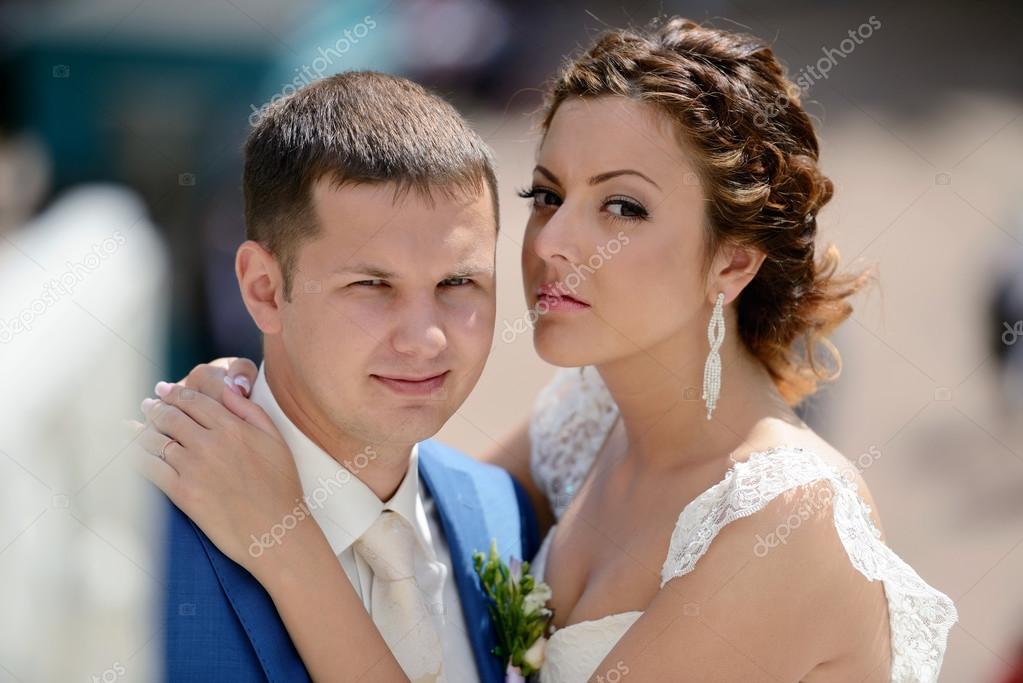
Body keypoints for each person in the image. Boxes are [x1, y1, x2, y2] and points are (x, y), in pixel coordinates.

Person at [138, 17, 958, 682]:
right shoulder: (585, 423)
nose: (555, 241)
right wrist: (246, 407)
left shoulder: (787, 521)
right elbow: (400, 501)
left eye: (623, 207)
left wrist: (283, 543)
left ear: (732, 263)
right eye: (548, 194)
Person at [131, 71, 538, 683]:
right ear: (264, 290)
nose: (426, 339)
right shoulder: (132, 543)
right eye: (372, 285)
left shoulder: (502, 514)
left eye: (457, 282)